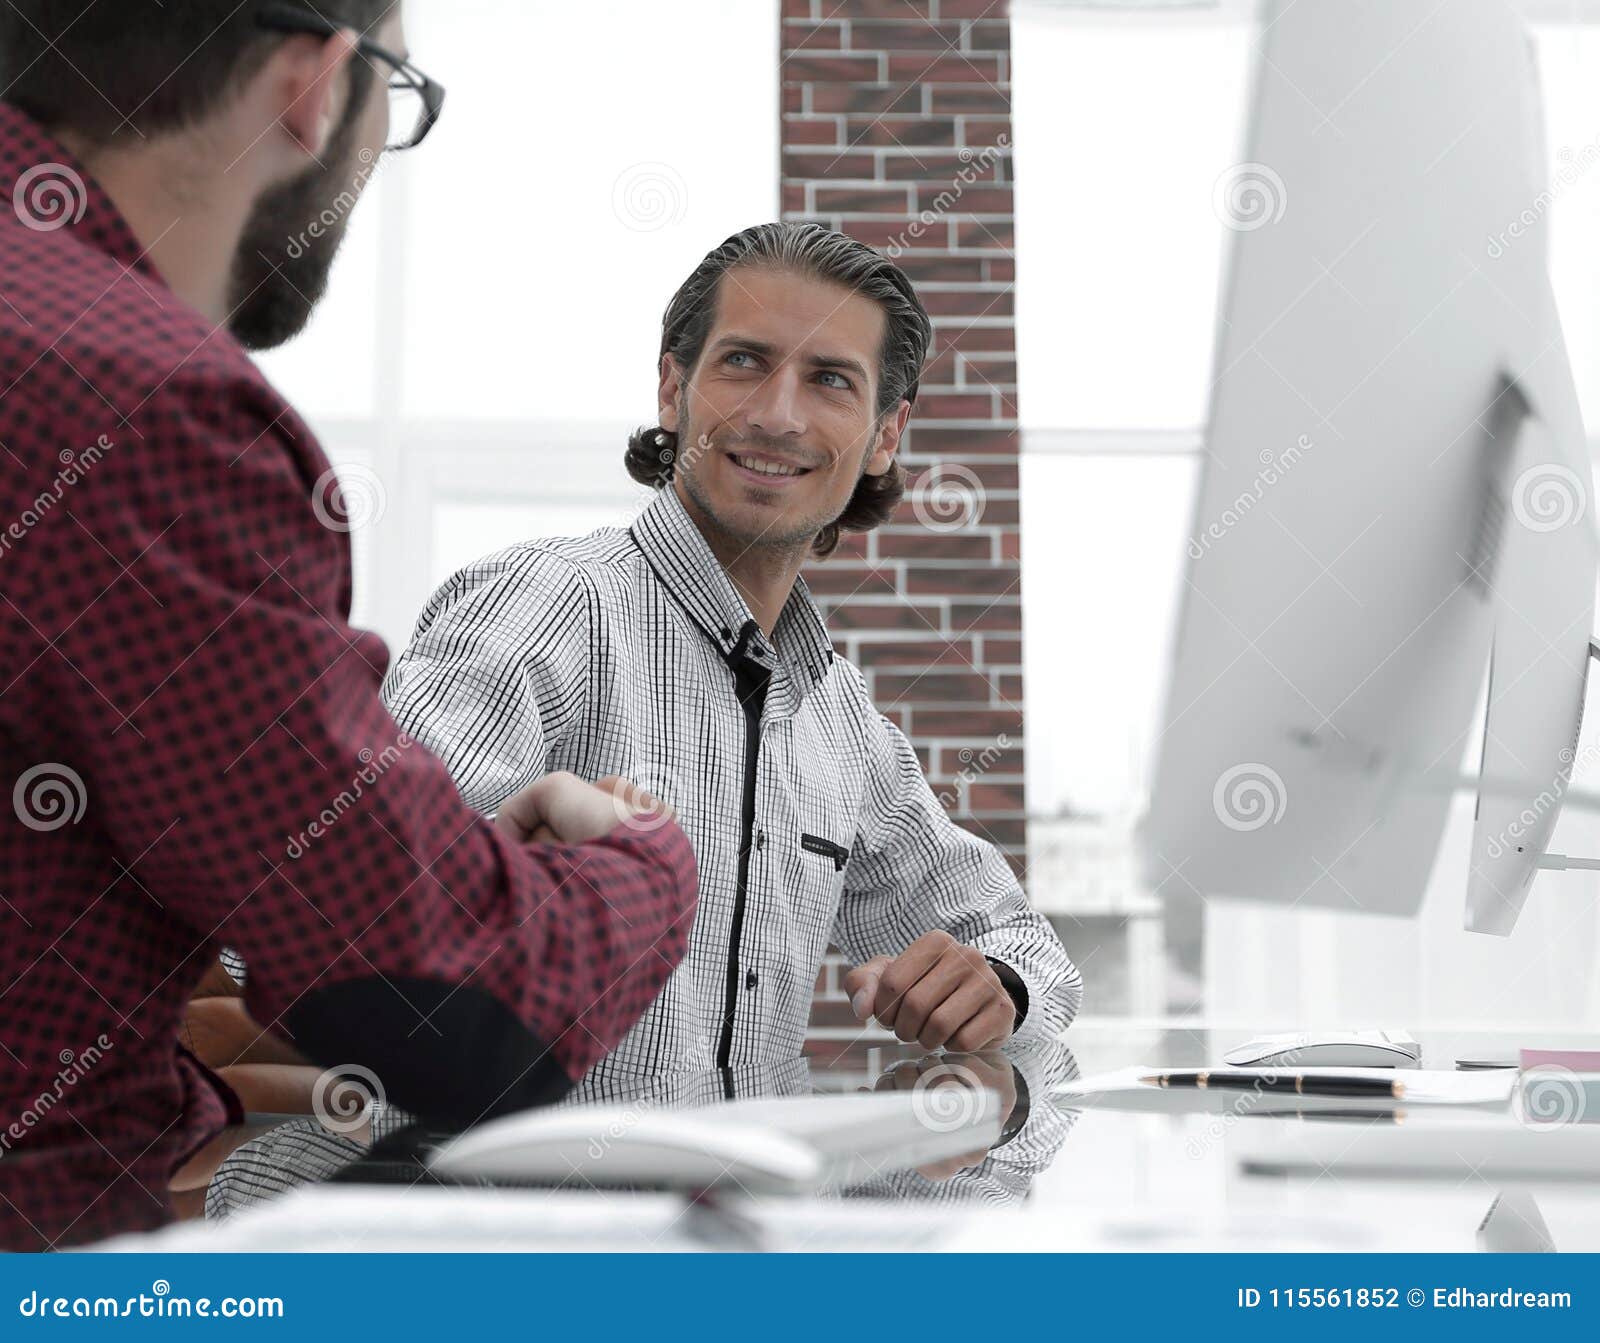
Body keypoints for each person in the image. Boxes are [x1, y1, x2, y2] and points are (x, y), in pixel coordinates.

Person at [0, 0, 697, 1251]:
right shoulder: (144, 406)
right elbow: (456, 1008)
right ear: (314, 86)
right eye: (399, 101)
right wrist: (643, 854)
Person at [382, 222, 1082, 1088]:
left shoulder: (839, 719)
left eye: (830, 379)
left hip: (744, 1218)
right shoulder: (543, 608)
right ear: (673, 390)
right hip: (504, 1217)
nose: (778, 414)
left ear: (884, 435)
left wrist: (997, 985)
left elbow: (1023, 943)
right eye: (744, 362)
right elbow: (354, 908)